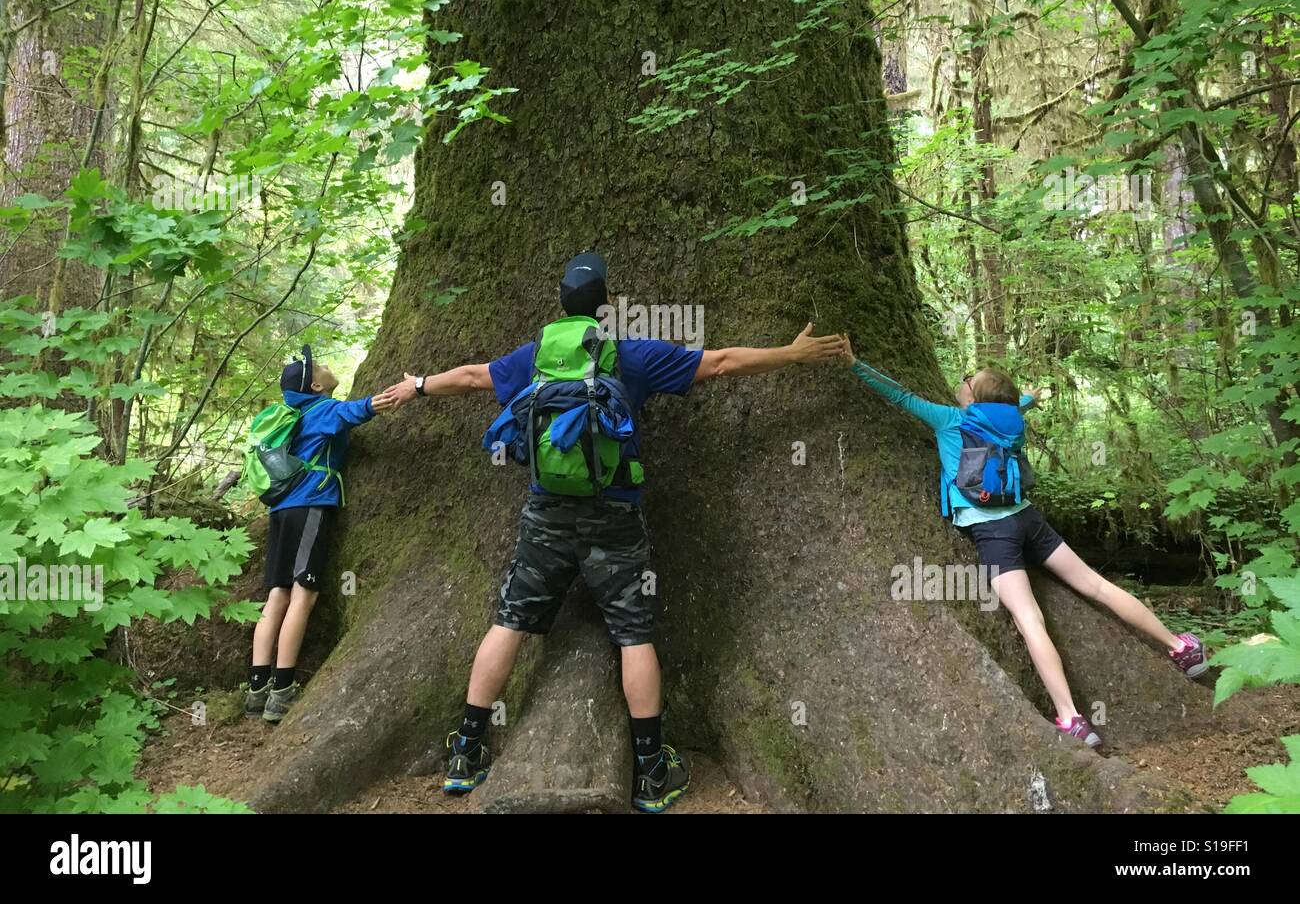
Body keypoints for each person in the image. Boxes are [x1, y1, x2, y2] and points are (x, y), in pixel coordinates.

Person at [378, 252, 845, 811]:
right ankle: (651, 771)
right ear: (607, 308)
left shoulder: (536, 358)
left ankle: (466, 753)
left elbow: (475, 376)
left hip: (546, 512)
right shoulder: (630, 355)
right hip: (616, 514)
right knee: (632, 633)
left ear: (560, 306)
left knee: (510, 620)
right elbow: (720, 362)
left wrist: (420, 385)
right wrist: (791, 354)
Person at [840, 337, 1207, 748]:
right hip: (1028, 520)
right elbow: (1022, 400)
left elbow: (900, 394)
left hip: (992, 531)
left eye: (968, 379)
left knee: (1029, 619)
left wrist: (854, 362)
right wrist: (1033, 394)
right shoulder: (1013, 418)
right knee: (1098, 586)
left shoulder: (948, 420)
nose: (962, 382)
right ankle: (1181, 647)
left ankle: (1072, 718)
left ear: (973, 395)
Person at [244, 348, 394, 723]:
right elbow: (356, 411)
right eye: (322, 367)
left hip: (280, 512)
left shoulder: (291, 417)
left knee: (277, 594)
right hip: (310, 506)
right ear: (315, 384)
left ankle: (256, 689)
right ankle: (282, 692)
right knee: (303, 594)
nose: (328, 369)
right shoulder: (322, 408)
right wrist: (396, 395)